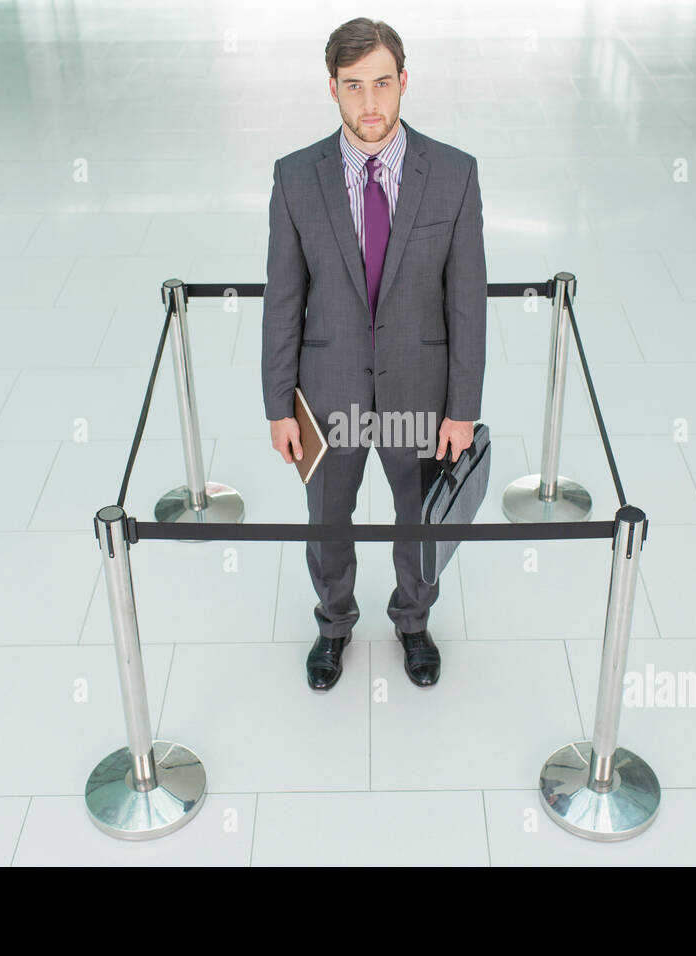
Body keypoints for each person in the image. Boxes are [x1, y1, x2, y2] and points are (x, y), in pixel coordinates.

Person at [262, 17, 487, 691]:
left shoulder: (453, 174)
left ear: (403, 83)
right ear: (332, 88)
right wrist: (279, 407)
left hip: (422, 389)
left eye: (382, 84)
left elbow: (466, 303)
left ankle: (412, 623)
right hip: (325, 391)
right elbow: (283, 299)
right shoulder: (296, 178)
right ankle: (334, 625)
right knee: (328, 518)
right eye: (353, 86)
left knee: (418, 517)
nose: (369, 104)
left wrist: (462, 410)